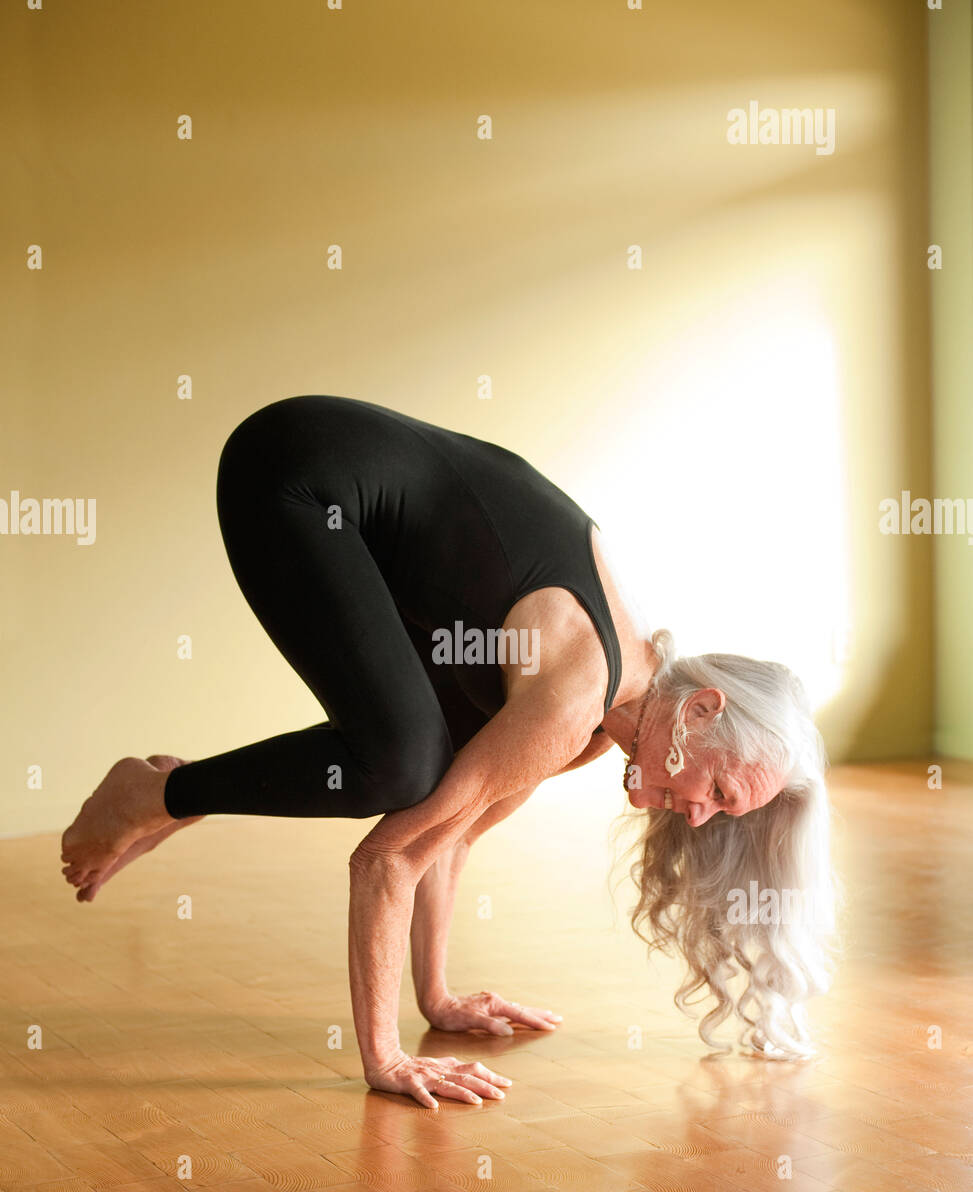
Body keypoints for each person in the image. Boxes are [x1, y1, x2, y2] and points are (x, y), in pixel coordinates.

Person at [61, 395, 837, 1108]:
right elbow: (388, 859)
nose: (699, 818)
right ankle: (157, 795)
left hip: (348, 496)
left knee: (421, 772)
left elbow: (451, 836)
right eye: (722, 793)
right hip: (296, 475)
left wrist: (437, 999)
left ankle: (169, 793)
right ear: (702, 709)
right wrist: (386, 1059)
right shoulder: (575, 704)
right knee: (401, 765)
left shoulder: (599, 723)